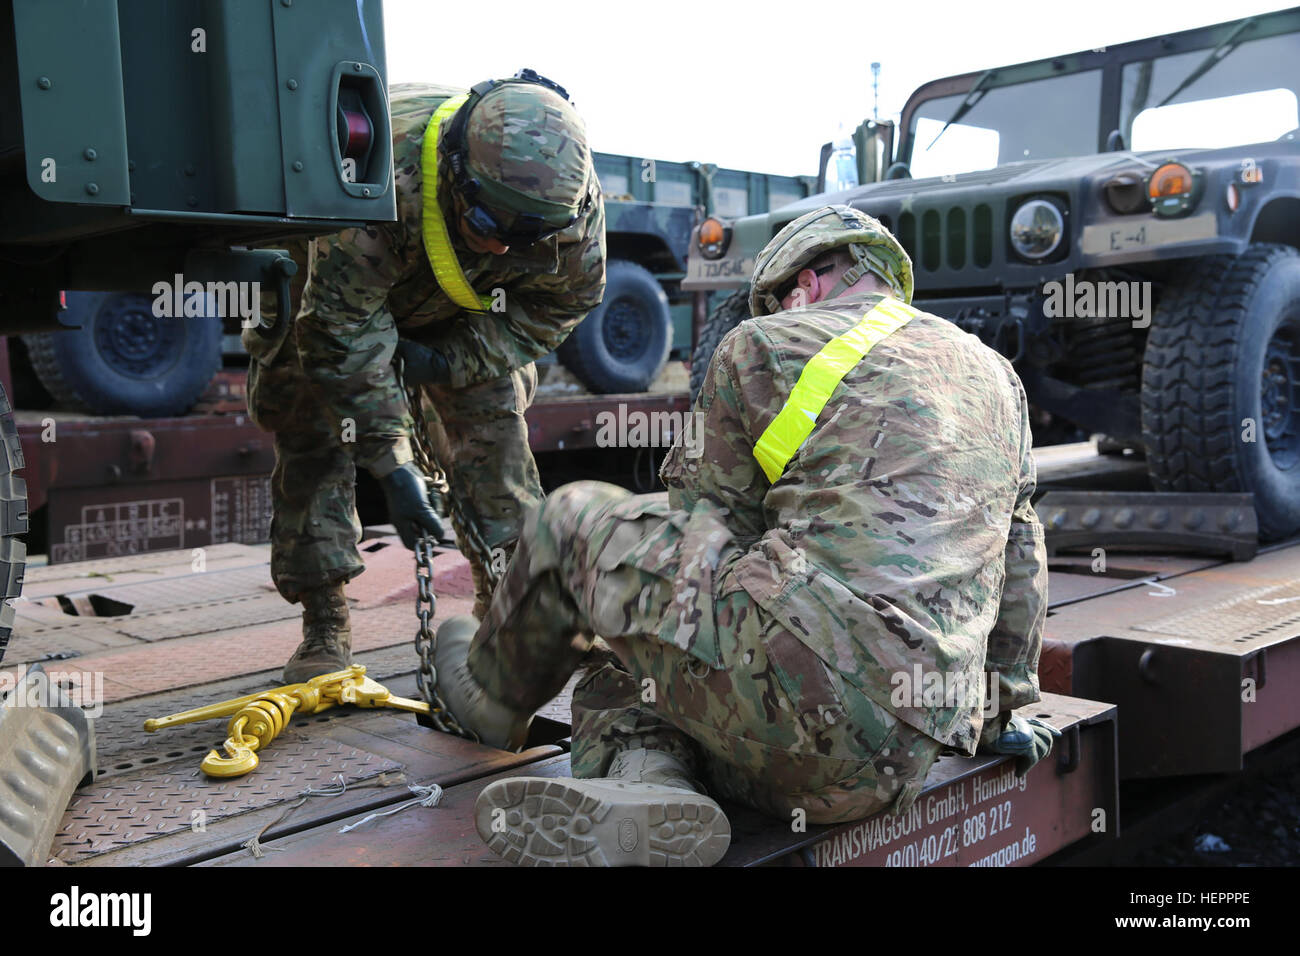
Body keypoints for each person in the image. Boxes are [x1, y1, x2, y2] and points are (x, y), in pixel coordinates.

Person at [433, 204, 1056, 867]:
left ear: (807, 285)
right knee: (632, 666)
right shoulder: (996, 376)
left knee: (573, 520)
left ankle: (491, 701)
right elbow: (1021, 559)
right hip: (889, 766)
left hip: (804, 697)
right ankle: (651, 789)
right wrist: (1001, 713)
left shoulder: (766, 343)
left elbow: (700, 532)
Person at [246, 71, 606, 683]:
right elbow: (339, 335)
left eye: (524, 238)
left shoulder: (569, 216)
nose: (500, 250)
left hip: (465, 310)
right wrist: (392, 464)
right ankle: (325, 624)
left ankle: (512, 612)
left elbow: (556, 307)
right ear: (458, 172)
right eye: (490, 226)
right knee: (311, 428)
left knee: (494, 440)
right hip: (331, 287)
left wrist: (450, 361)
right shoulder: (373, 178)